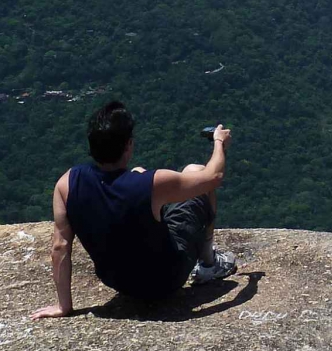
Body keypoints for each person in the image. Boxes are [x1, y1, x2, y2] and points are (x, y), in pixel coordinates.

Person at [30, 101, 236, 319]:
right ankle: (208, 265)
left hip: (119, 281)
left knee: (139, 173)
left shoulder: (67, 184)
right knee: (194, 170)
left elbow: (59, 247)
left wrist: (64, 306)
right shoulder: (149, 185)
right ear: (128, 145)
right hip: (166, 280)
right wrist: (219, 142)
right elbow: (213, 177)